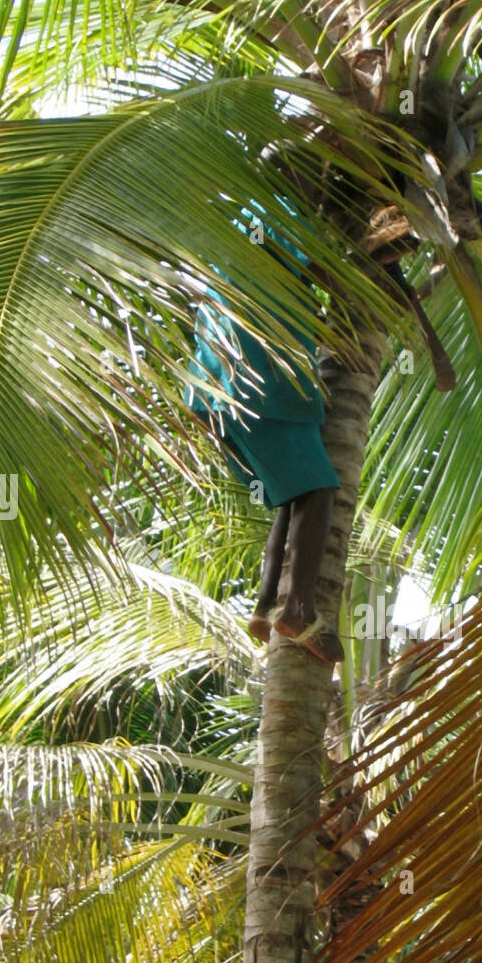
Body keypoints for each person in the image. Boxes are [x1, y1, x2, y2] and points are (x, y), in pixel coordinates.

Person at [186, 200, 344, 664]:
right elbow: (327, 274)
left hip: (218, 392)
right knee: (319, 489)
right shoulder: (273, 215)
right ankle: (298, 609)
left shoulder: (233, 239)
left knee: (292, 491)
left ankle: (263, 605)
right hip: (258, 390)